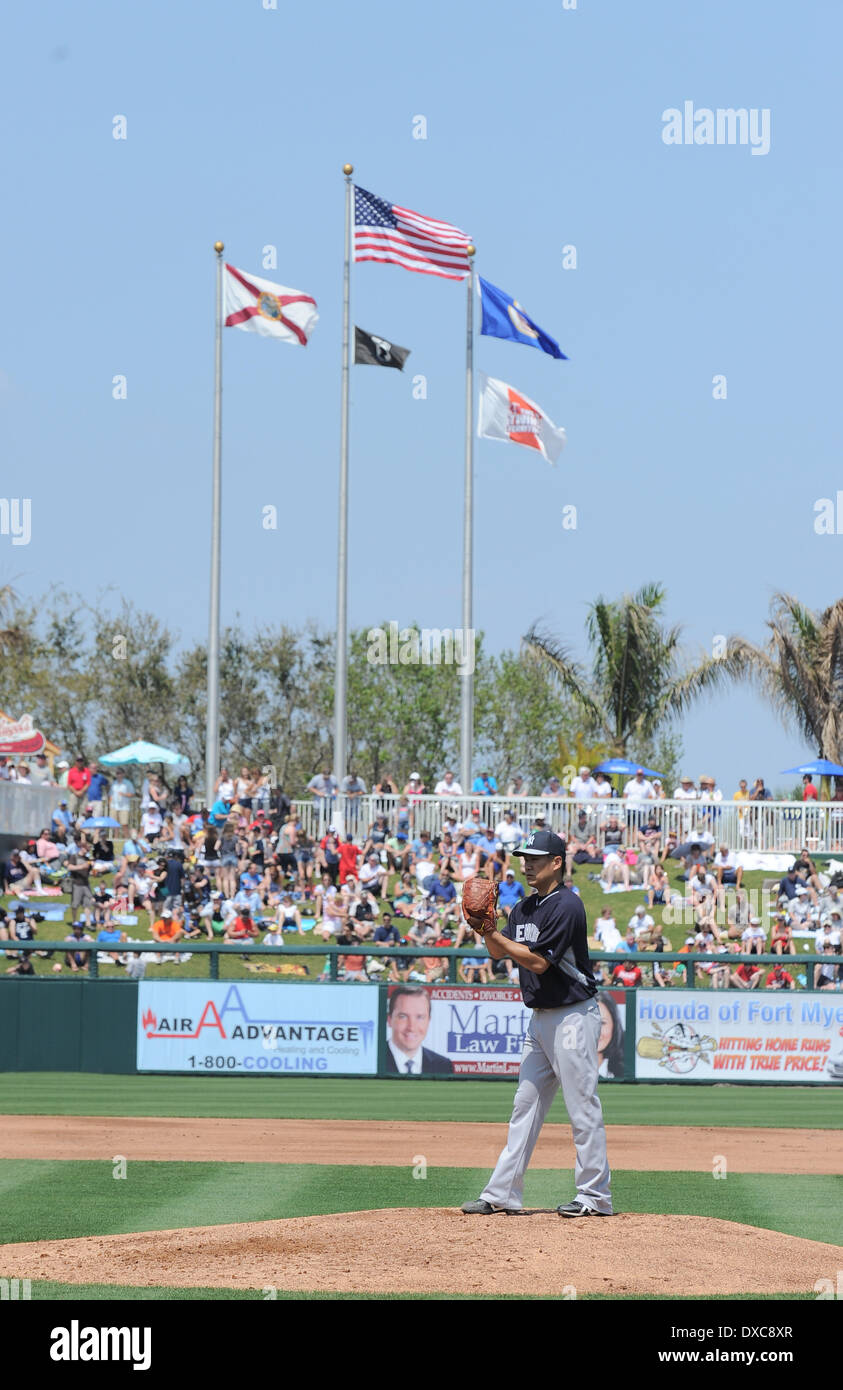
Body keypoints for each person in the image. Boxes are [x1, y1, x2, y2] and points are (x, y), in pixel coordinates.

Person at [460, 829, 612, 1218]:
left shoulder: (568, 906)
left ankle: (595, 1198)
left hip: (573, 1014)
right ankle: (502, 1194)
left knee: (582, 1108)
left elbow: (538, 962)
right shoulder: (524, 908)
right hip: (540, 1017)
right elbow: (500, 952)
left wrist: (493, 932)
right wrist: (483, 929)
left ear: (557, 863)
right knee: (524, 1107)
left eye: (536, 858)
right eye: (524, 857)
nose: (526, 863)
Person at [385, 986, 454, 1074]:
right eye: (403, 1017)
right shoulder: (373, 1061)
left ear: (428, 1021)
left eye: (420, 1017)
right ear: (389, 1020)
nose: (411, 1027)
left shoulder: (443, 1065)